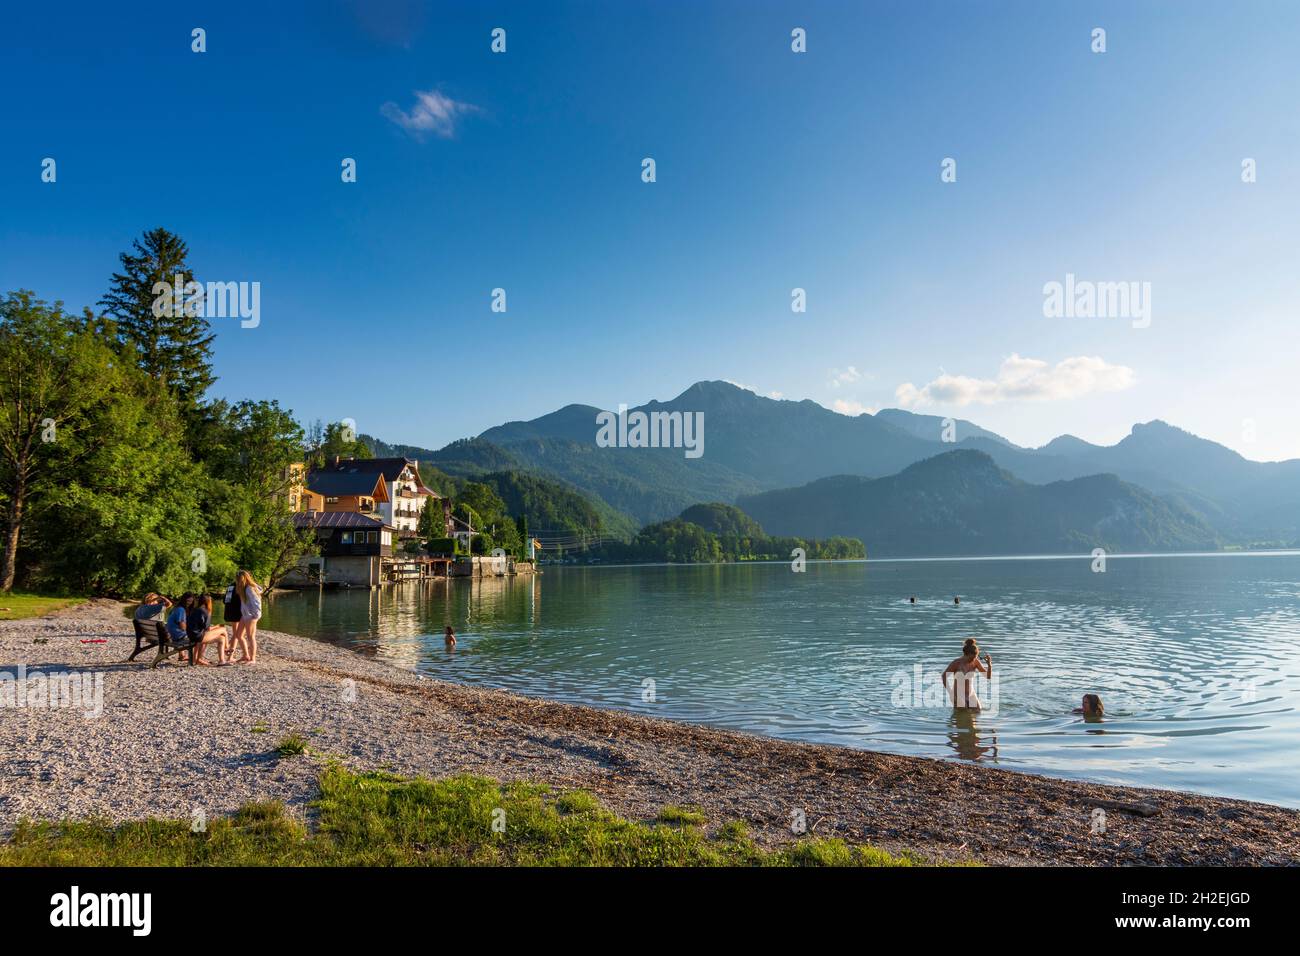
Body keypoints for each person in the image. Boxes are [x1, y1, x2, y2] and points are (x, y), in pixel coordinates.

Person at [943, 638, 991, 710]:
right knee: (963, 714)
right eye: (971, 658)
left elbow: (988, 677)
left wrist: (989, 665)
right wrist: (951, 693)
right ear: (966, 654)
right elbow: (944, 676)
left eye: (975, 657)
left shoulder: (975, 662)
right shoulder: (956, 663)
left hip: (971, 694)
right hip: (958, 694)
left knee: (978, 711)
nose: (973, 660)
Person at [186, 593, 229, 666]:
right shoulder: (205, 611)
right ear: (209, 602)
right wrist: (216, 626)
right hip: (198, 636)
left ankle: (222, 660)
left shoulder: (194, 609)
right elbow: (207, 628)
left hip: (191, 634)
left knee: (221, 638)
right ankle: (227, 648)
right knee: (223, 629)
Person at [233, 570, 263, 664]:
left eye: (238, 579)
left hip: (252, 615)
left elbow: (256, 603)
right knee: (239, 635)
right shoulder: (243, 588)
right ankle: (245, 655)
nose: (237, 581)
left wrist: (255, 616)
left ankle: (252, 659)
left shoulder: (250, 588)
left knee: (251, 637)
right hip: (245, 615)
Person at [164, 594, 193, 659]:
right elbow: (182, 625)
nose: (189, 603)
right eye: (188, 601)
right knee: (198, 636)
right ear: (183, 600)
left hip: (171, 633)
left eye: (191, 601)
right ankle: (196, 658)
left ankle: (182, 655)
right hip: (175, 635)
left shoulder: (175, 608)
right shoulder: (181, 609)